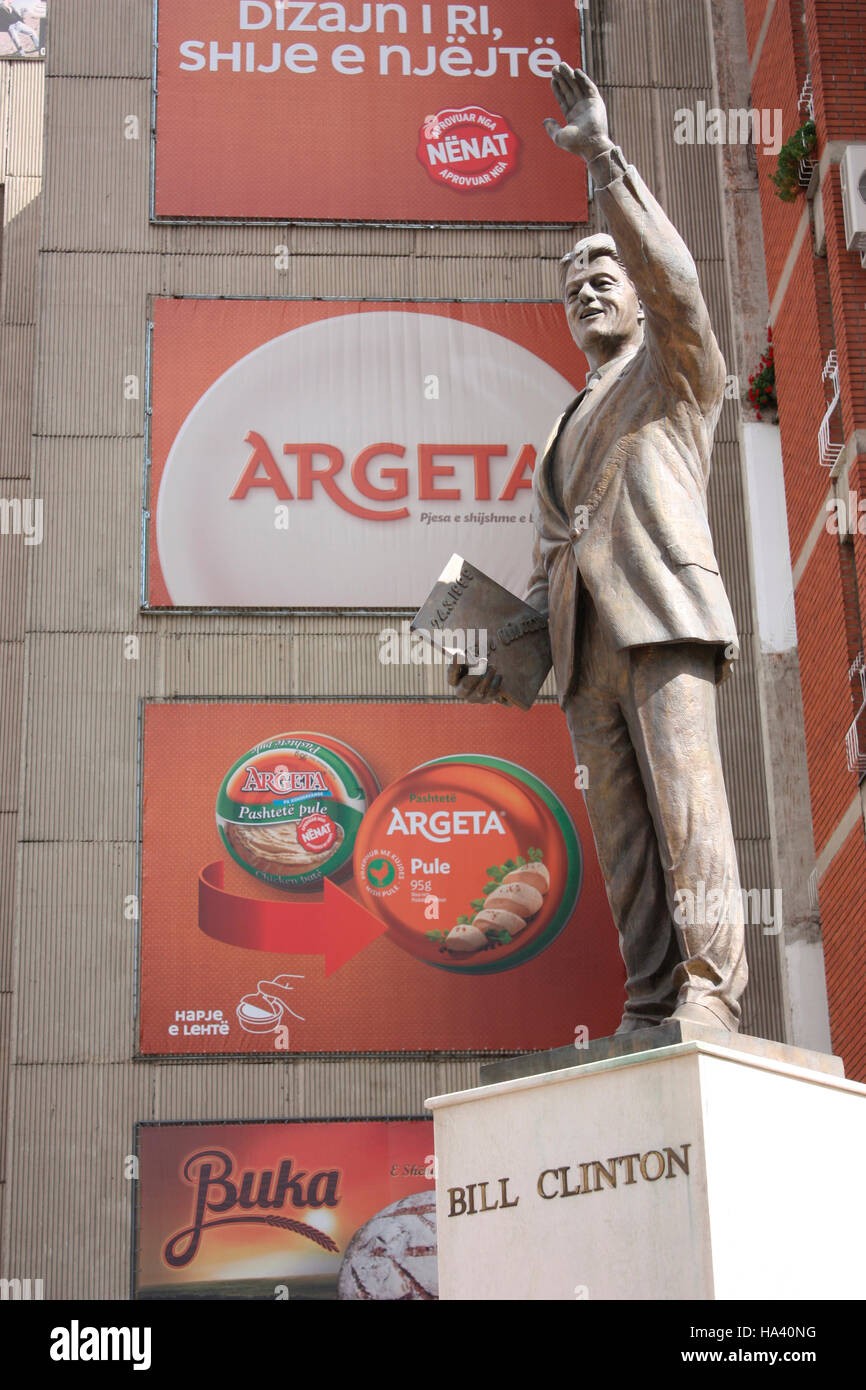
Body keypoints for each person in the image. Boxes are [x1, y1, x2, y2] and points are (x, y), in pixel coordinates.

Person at [449, 65, 748, 1035]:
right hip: (585, 659)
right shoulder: (559, 425)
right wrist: (504, 647)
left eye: (600, 274)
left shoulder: (672, 370)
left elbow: (678, 284)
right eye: (571, 282)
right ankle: (649, 995)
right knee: (622, 839)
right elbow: (549, 567)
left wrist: (603, 163)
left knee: (687, 814)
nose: (584, 288)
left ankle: (709, 986)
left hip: (663, 620)